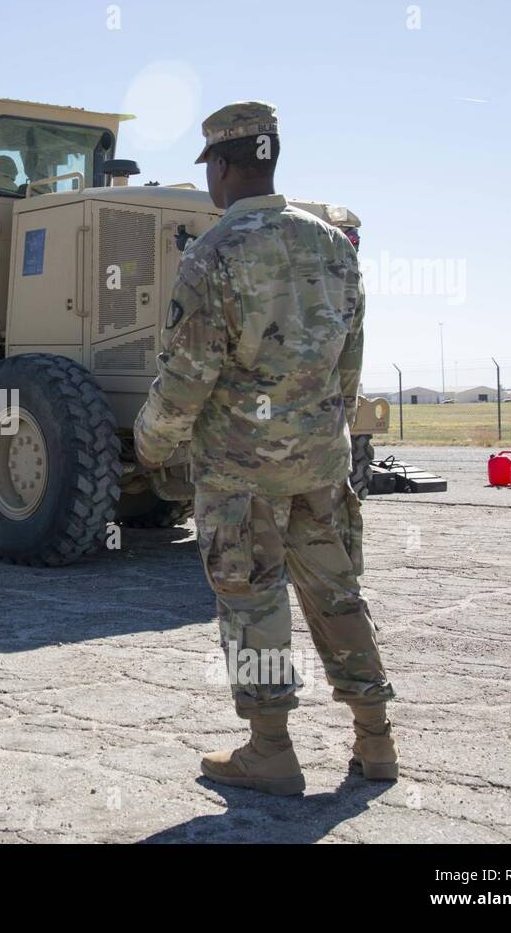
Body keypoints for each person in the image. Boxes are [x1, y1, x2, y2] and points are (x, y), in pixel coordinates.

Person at [133, 101, 397, 796]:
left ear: (221, 168)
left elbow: (188, 376)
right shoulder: (334, 246)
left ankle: (270, 751)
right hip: (321, 463)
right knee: (336, 595)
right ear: (270, 158)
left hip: (241, 474)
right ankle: (375, 742)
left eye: (212, 170)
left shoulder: (212, 255)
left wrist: (151, 440)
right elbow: (349, 369)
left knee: (253, 604)